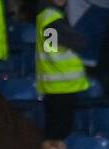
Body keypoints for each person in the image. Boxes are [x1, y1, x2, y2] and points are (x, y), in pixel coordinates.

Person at [35, 0, 90, 140]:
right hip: (62, 83)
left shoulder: (47, 15)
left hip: (55, 84)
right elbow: (75, 41)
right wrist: (79, 40)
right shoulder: (51, 17)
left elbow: (50, 47)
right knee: (58, 135)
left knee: (53, 133)